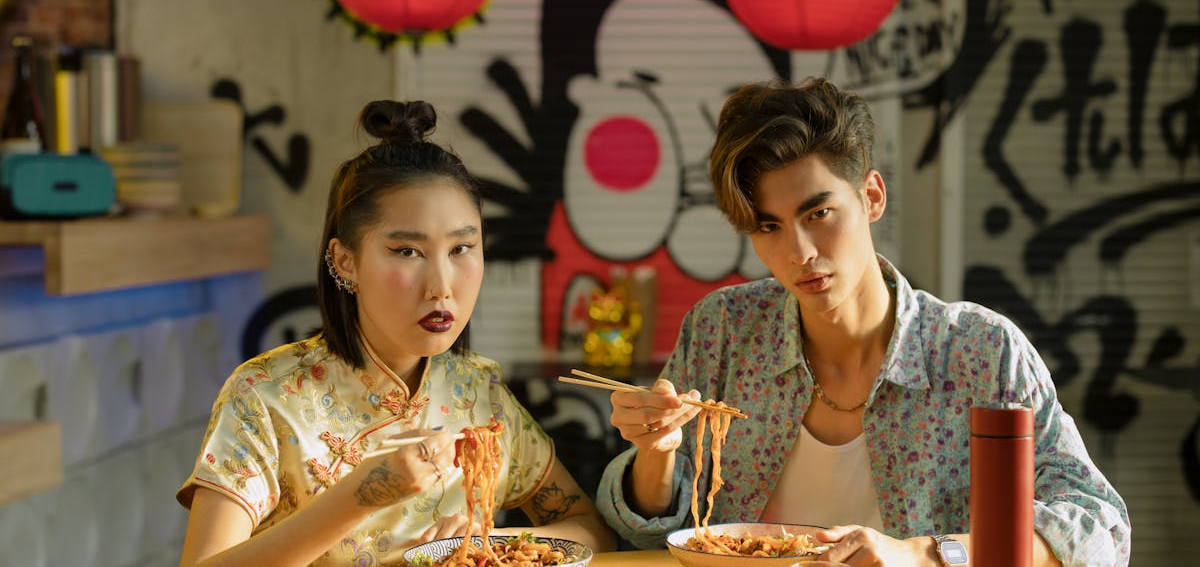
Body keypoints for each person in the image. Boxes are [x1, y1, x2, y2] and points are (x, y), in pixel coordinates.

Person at [595, 78, 1130, 566]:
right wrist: (655, 452)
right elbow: (648, 537)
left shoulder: (980, 351)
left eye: (818, 214)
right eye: (768, 226)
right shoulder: (723, 331)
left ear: (871, 197)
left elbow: (1098, 526)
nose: (798, 251)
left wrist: (925, 555)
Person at [177, 100, 615, 566]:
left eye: (462, 248)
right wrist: (361, 496)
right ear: (346, 261)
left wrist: (485, 539)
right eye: (407, 251)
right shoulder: (265, 396)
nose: (442, 286)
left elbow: (590, 531)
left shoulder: (476, 391)